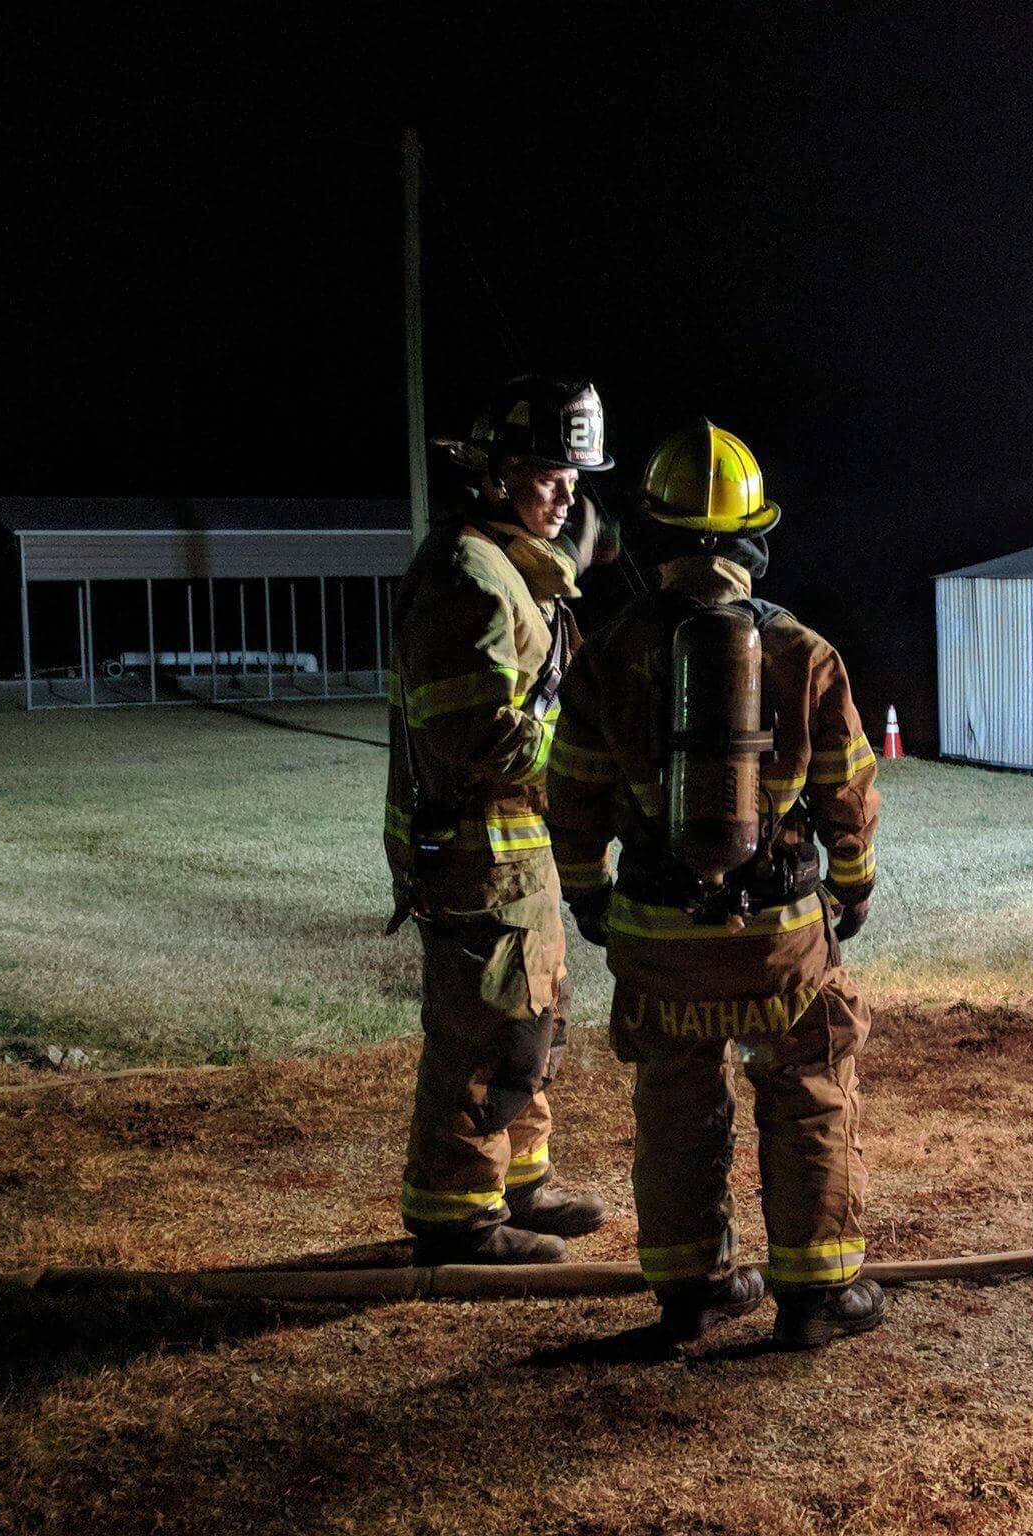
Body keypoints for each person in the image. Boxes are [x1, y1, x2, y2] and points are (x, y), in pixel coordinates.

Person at [546, 419, 884, 1346]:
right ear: (754, 537)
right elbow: (845, 790)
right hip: (776, 932)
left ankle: (691, 1292)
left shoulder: (607, 653)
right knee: (807, 1086)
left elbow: (570, 793)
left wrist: (586, 894)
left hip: (657, 929)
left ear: (653, 532)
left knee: (675, 1104)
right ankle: (816, 1298)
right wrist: (851, 888)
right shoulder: (803, 650)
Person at [383, 376, 614, 1265]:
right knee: (483, 1028)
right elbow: (475, 736)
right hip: (478, 850)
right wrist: (586, 741)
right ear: (494, 476)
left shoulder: (515, 571)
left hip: (521, 849)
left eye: (573, 480)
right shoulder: (466, 575)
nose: (566, 499)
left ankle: (522, 1185)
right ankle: (457, 1214)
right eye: (548, 478)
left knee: (533, 1016)